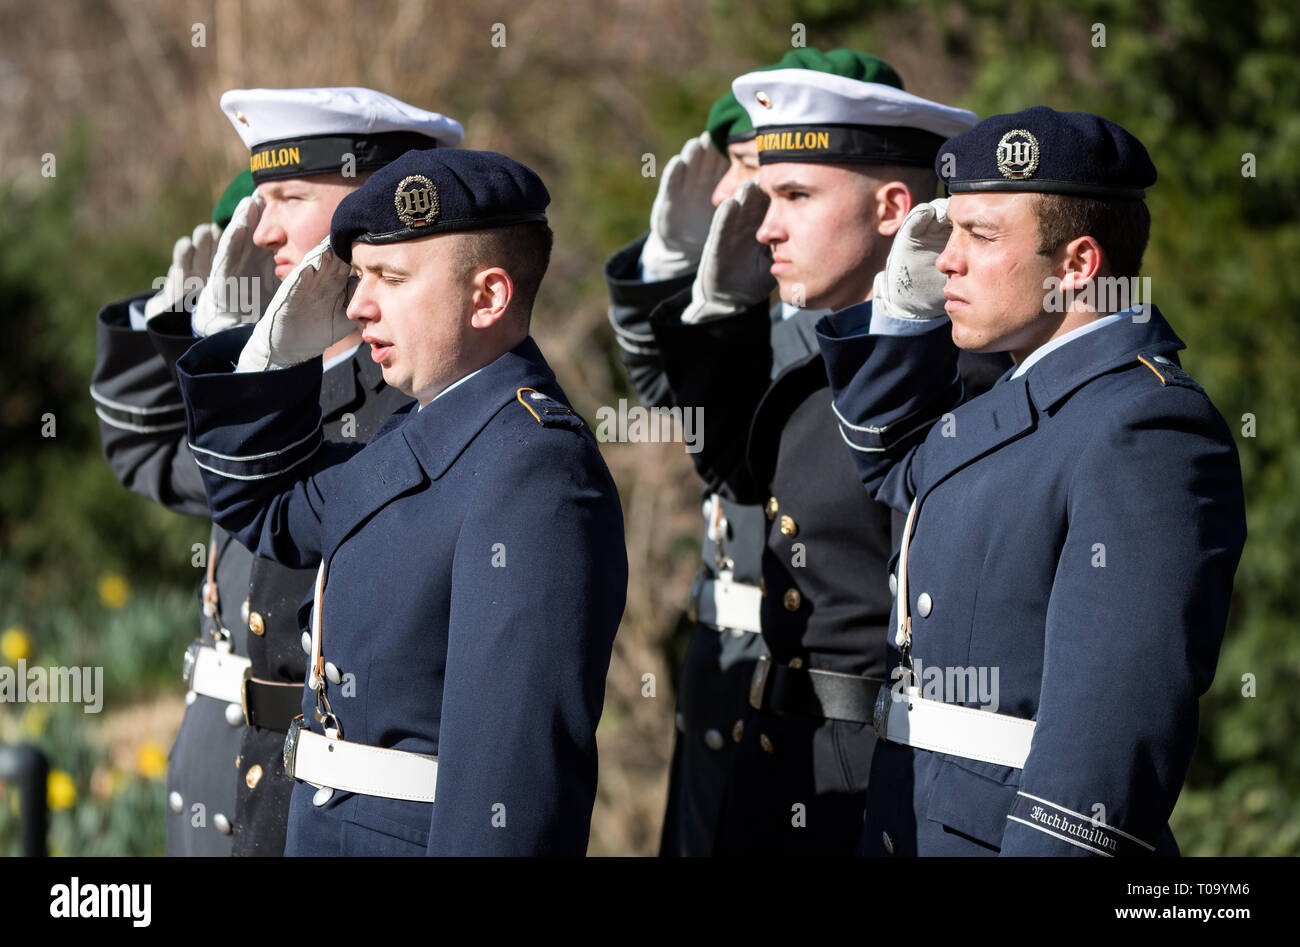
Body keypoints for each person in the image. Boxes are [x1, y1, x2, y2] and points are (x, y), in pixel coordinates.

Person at [816, 106, 1247, 856]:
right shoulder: (1020, 398)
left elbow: (1106, 745)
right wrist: (902, 321)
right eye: (953, 231)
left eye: (980, 237)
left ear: (1079, 264)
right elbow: (892, 468)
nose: (946, 259)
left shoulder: (1147, 427)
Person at [175, 149, 627, 855]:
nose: (356, 305)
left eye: (390, 277)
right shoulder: (415, 432)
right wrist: (266, 361)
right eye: (358, 277)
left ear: (489, 297)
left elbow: (509, 796)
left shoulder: (536, 471)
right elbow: (263, 507)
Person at [89, 86, 462, 855]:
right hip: (232, 783)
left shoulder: (414, 397)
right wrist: (211, 345)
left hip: (330, 800)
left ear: (372, 202)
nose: (260, 229)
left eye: (289, 195)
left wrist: (244, 369)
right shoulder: (298, 381)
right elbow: (163, 462)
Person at [644, 65, 1003, 853]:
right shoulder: (814, 361)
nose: (765, 227)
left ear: (893, 211)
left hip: (877, 785)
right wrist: (715, 316)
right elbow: (730, 470)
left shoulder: (959, 379)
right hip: (776, 759)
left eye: (796, 197)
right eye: (766, 197)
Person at [606, 47, 918, 856]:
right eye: (752, 179)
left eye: (784, 188)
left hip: (866, 752)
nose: (742, 208)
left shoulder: (934, 358)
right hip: (766, 710)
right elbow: (719, 450)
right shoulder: (789, 319)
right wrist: (680, 289)